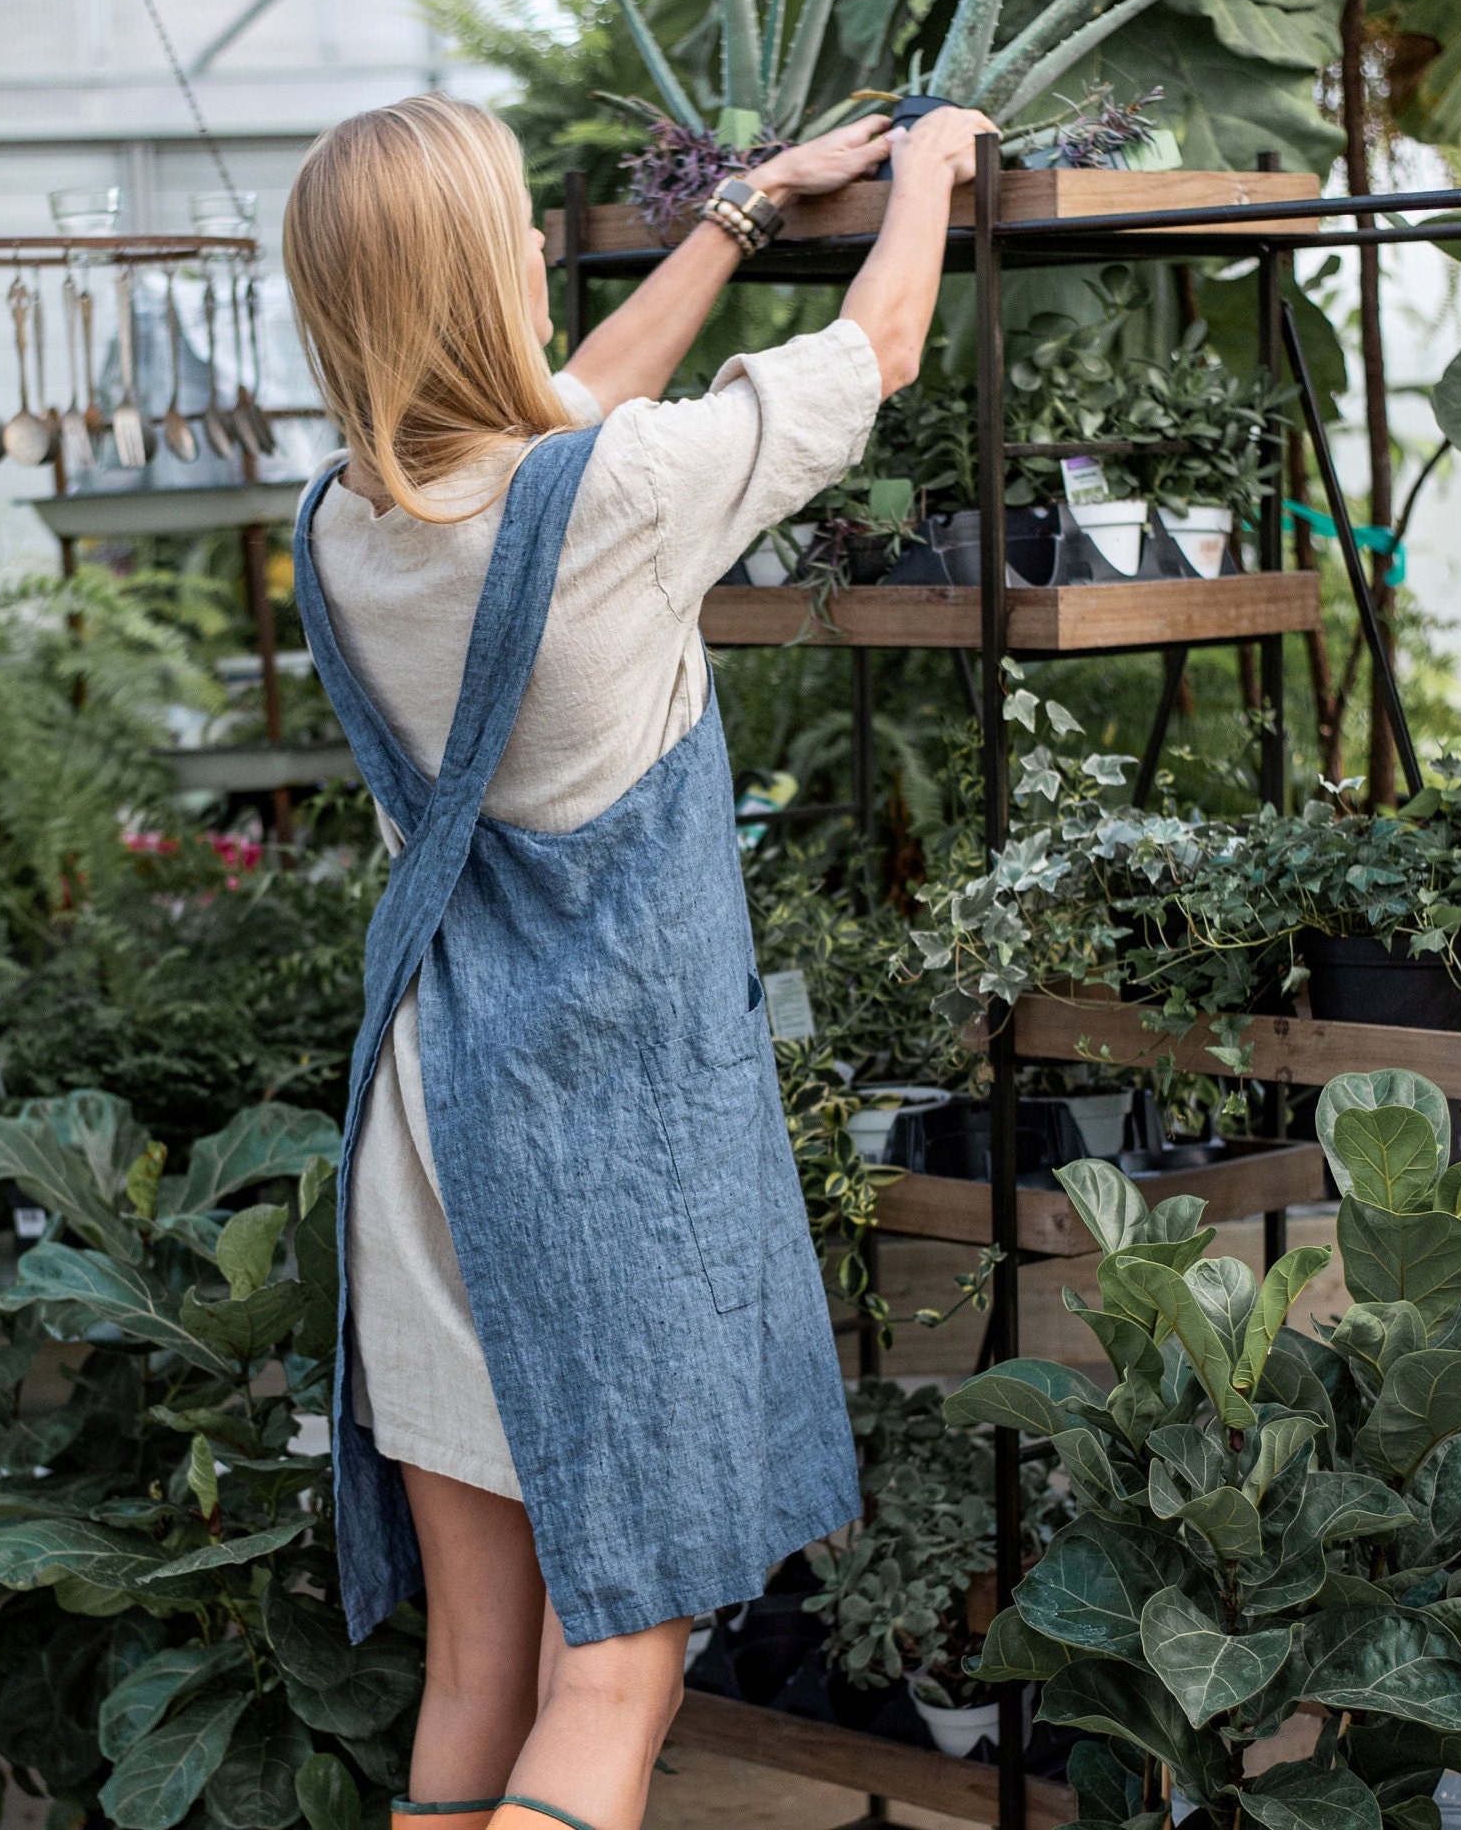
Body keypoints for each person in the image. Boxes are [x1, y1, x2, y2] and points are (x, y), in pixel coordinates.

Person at [281, 92, 993, 1830]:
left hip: (428, 1137)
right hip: (603, 1157)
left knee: (477, 1663)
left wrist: (743, 209)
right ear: (480, 277)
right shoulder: (620, 500)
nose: (540, 243)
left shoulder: (346, 527)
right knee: (619, 1671)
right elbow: (877, 344)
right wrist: (933, 166)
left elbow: (566, 401)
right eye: (519, 223)